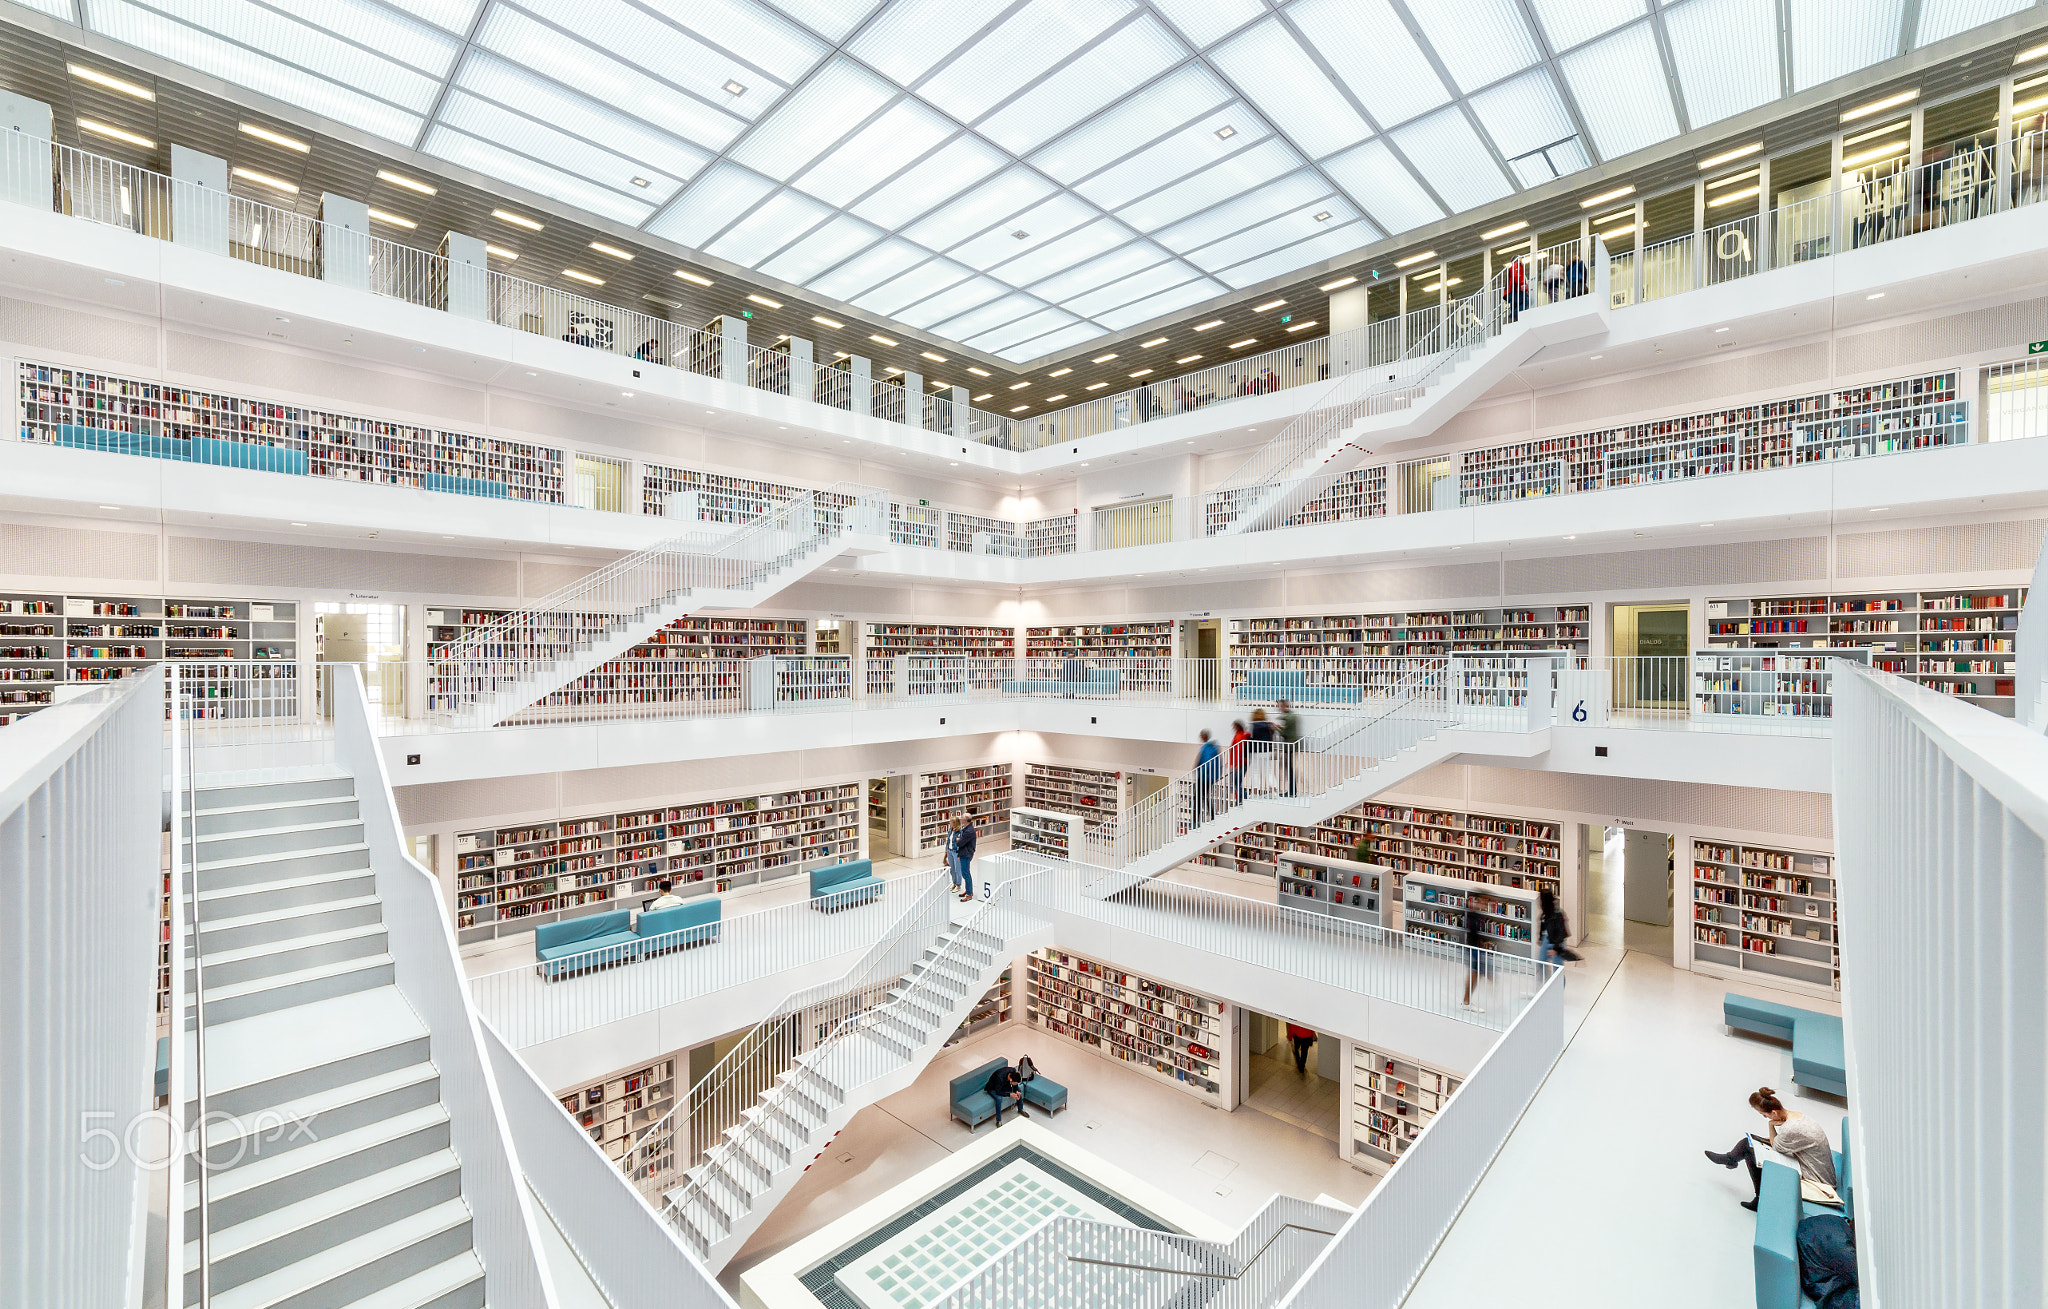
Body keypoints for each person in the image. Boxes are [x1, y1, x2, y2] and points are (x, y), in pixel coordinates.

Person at [1704, 1088, 1838, 1211]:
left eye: (1765, 1116)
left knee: (1750, 1151)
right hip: (1816, 1167)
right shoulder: (1797, 1116)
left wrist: (1771, 1125)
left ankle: (1758, 1196)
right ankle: (1730, 1159)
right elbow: (1789, 1141)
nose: (1766, 1118)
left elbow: (1776, 1145)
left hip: (1816, 1179)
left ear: (1773, 1112)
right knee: (1751, 1142)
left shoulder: (1790, 1128)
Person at [1798, 1214, 1859, 1309]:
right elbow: (1864, 1280)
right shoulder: (1845, 1250)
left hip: (1810, 1261)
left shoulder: (1835, 1220)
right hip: (1821, 1287)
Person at [1460, 895, 1488, 1012]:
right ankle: (1466, 1001)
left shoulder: (1476, 914)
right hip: (1472, 948)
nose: (1486, 906)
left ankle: (1466, 1000)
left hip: (1475, 947)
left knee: (1475, 974)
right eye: (1484, 902)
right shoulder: (1471, 914)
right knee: (1474, 974)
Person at [1193, 730, 1220, 824]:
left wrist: (1200, 772)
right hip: (1207, 776)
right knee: (1203, 796)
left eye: (1201, 735)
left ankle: (1196, 818)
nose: (1200, 737)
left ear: (1205, 736)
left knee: (1198, 797)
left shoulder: (1208, 748)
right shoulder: (1210, 747)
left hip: (1205, 777)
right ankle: (1210, 815)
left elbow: (1208, 763)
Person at [1276, 699, 1301, 796]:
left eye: (1280, 706)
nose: (1278, 708)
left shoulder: (1288, 718)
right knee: (1289, 768)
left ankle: (1291, 791)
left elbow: (1285, 733)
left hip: (1289, 747)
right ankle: (1291, 790)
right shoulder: (1291, 716)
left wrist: (1277, 728)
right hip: (1291, 746)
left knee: (1289, 769)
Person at [1248, 708, 1276, 794]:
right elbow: (1272, 735)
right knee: (1268, 771)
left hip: (1257, 750)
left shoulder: (1253, 726)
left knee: (1255, 771)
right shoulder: (1268, 725)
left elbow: (1250, 738)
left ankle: (1255, 792)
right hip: (1267, 750)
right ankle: (1273, 790)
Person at [956, 807, 978, 902]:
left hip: (966, 854)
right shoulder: (966, 828)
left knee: (966, 873)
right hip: (964, 853)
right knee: (964, 873)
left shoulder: (969, 831)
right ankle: (968, 890)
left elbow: (960, 843)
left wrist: (958, 840)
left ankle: (969, 893)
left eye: (962, 818)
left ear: (965, 820)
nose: (961, 819)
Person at [1228, 720, 1250, 803]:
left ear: (1237, 727)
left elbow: (1238, 751)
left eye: (1234, 727)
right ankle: (1239, 799)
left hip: (1240, 763)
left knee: (1235, 782)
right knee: (1237, 782)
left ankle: (1245, 797)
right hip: (1241, 762)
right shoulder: (1242, 735)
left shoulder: (1239, 736)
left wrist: (1237, 764)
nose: (1233, 728)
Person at [1503, 258, 1530, 322]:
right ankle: (1512, 316)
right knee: (1524, 303)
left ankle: (1514, 318)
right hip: (1516, 290)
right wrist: (1522, 284)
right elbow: (1517, 276)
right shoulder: (1516, 264)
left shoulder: (1511, 268)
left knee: (1515, 306)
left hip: (1511, 292)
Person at [944, 816, 963, 894]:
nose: (949, 823)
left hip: (956, 852)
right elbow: (948, 840)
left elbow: (962, 842)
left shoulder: (960, 832)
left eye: (951, 822)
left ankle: (958, 885)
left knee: (958, 869)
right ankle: (954, 883)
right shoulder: (950, 830)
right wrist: (946, 849)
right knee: (952, 869)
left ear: (954, 823)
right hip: (950, 851)